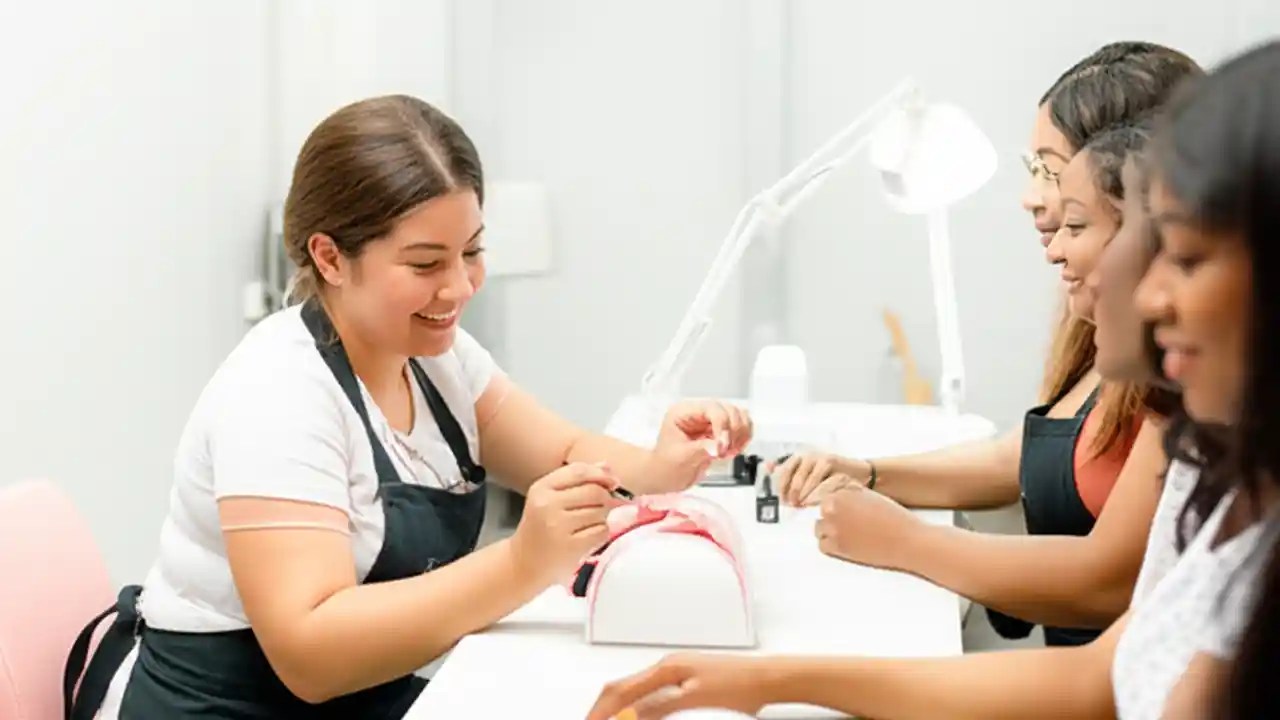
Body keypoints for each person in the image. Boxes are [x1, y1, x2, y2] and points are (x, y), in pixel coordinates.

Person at [584, 41, 1280, 720]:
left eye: (1184, 259)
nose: (1039, 214)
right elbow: (1103, 677)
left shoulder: (1197, 438)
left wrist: (905, 544)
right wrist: (770, 678)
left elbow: (1104, 602)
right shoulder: (1216, 477)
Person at [65, 95, 754, 719]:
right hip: (232, 707)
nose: (459, 286)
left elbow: (565, 452)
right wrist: (522, 562)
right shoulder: (276, 395)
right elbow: (311, 655)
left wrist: (664, 464)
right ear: (330, 258)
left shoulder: (437, 357)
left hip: (364, 694)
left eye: (473, 251)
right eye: (426, 265)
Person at [776, 43, 1201, 647]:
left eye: (1049, 172)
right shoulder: (1104, 334)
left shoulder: (1183, 379)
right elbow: (1030, 458)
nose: (1032, 200)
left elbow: (1107, 589)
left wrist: (903, 541)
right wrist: (870, 475)